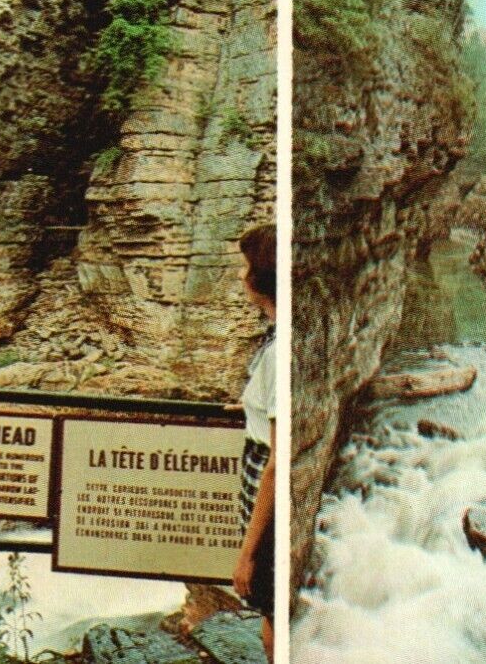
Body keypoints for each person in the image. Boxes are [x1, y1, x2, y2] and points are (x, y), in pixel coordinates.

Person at [233, 223, 276, 660]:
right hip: (266, 517)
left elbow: (277, 462)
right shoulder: (276, 337)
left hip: (267, 522)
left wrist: (247, 553)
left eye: (246, 268)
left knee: (273, 628)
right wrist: (248, 408)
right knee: (270, 613)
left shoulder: (278, 352)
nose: (241, 277)